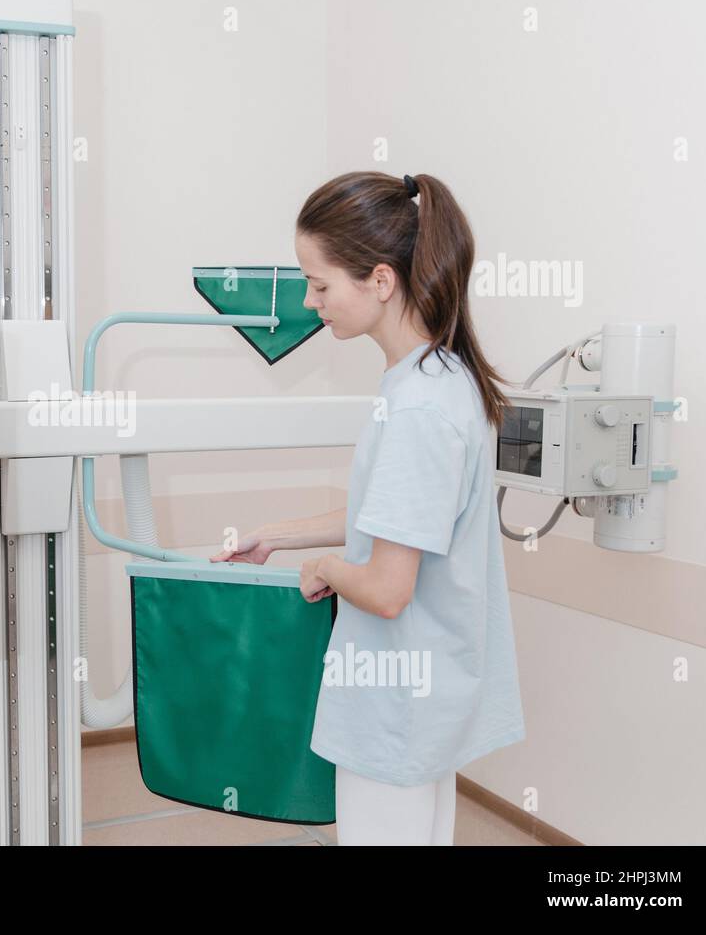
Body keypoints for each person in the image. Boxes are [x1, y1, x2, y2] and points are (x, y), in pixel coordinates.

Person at [211, 171, 526, 845]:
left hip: (395, 707)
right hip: (426, 697)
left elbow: (386, 588)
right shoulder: (442, 379)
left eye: (320, 284)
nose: (309, 300)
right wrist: (281, 535)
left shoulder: (416, 408)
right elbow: (398, 519)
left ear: (380, 281)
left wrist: (325, 564)